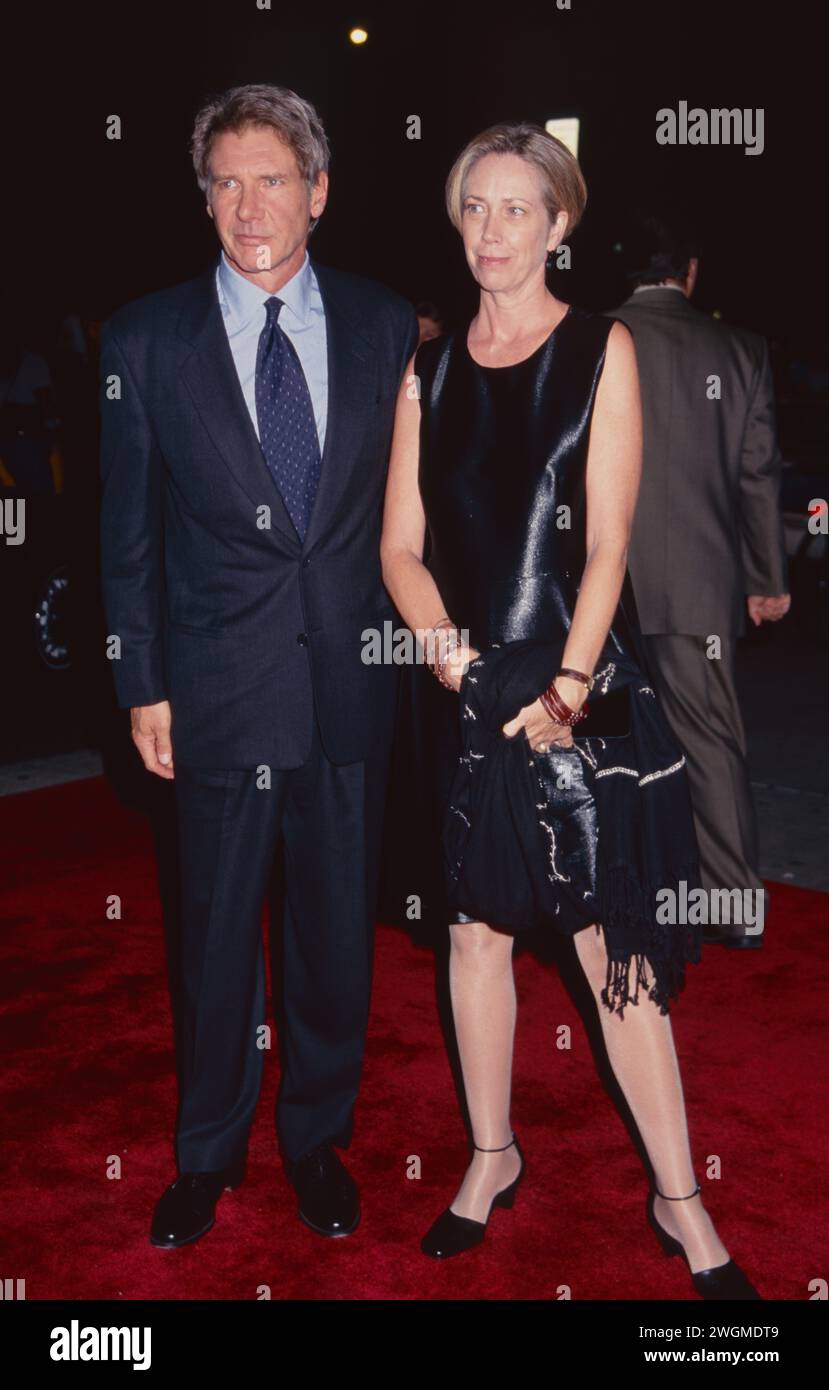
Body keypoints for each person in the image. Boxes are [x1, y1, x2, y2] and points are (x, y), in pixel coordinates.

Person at [380, 122, 761, 1298]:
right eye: (473, 208)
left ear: (558, 226)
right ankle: (492, 1155)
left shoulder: (603, 350)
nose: (490, 232)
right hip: (463, 688)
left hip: (575, 689)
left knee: (613, 954)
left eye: (515, 210)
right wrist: (452, 664)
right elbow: (397, 547)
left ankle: (678, 1198)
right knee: (474, 935)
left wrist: (561, 686)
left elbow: (605, 547)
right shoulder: (425, 367)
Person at [98, 84, 418, 1248]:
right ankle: (207, 1153)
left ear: (318, 193)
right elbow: (124, 537)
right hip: (217, 695)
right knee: (215, 937)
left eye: (271, 178)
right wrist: (140, 680)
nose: (247, 204)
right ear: (205, 198)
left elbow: (414, 516)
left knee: (336, 938)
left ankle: (315, 1143)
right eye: (225, 181)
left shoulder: (388, 326)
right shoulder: (144, 339)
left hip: (348, 681)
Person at [606, 212, 790, 948]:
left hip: (601, 586)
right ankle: (732, 909)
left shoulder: (588, 337)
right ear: (689, 273)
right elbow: (757, 474)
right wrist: (764, 576)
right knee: (710, 743)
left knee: (600, 740)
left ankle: (607, 892)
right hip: (698, 586)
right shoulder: (740, 349)